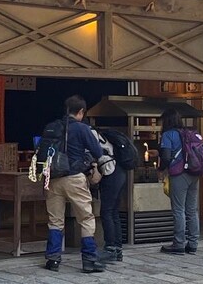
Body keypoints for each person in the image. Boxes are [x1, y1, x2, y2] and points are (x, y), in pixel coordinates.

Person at [39, 95, 107, 274]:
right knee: (85, 218)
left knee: (55, 219)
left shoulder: (52, 127)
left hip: (52, 178)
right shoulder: (82, 129)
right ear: (81, 112)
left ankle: (53, 259)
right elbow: (98, 151)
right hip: (74, 178)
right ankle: (89, 260)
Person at [158, 106, 199, 254]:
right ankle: (193, 243)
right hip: (193, 173)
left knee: (178, 209)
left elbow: (166, 156)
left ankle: (179, 243)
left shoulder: (168, 135)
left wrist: (161, 169)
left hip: (178, 174)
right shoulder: (187, 132)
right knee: (192, 210)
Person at [94, 124, 133, 263]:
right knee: (114, 211)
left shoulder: (92, 134)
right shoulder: (105, 134)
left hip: (111, 173)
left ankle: (110, 248)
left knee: (106, 212)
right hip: (120, 172)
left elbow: (94, 153)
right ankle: (117, 249)